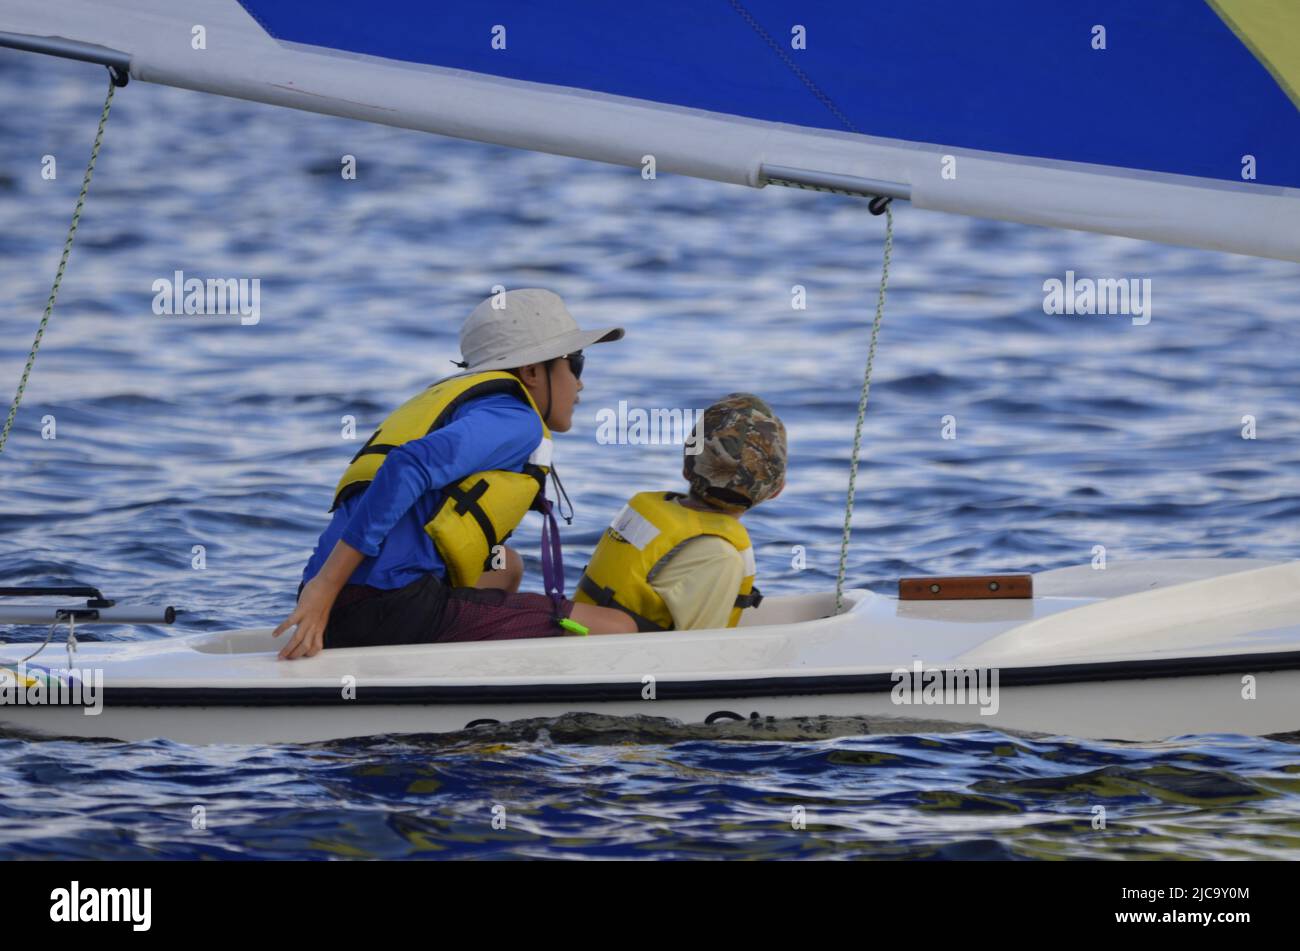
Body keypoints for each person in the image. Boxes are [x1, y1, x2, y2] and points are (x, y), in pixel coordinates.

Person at [274, 288, 637, 659]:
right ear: (531, 371)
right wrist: (326, 587)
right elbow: (407, 465)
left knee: (506, 564)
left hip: (345, 602)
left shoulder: (467, 406)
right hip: (387, 608)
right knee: (618, 630)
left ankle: (461, 656)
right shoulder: (517, 419)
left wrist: (323, 590)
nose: (579, 383)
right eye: (575, 363)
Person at [575, 393, 786, 631]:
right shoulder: (720, 557)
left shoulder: (650, 513)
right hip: (621, 662)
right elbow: (697, 654)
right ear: (776, 490)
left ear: (687, 467)